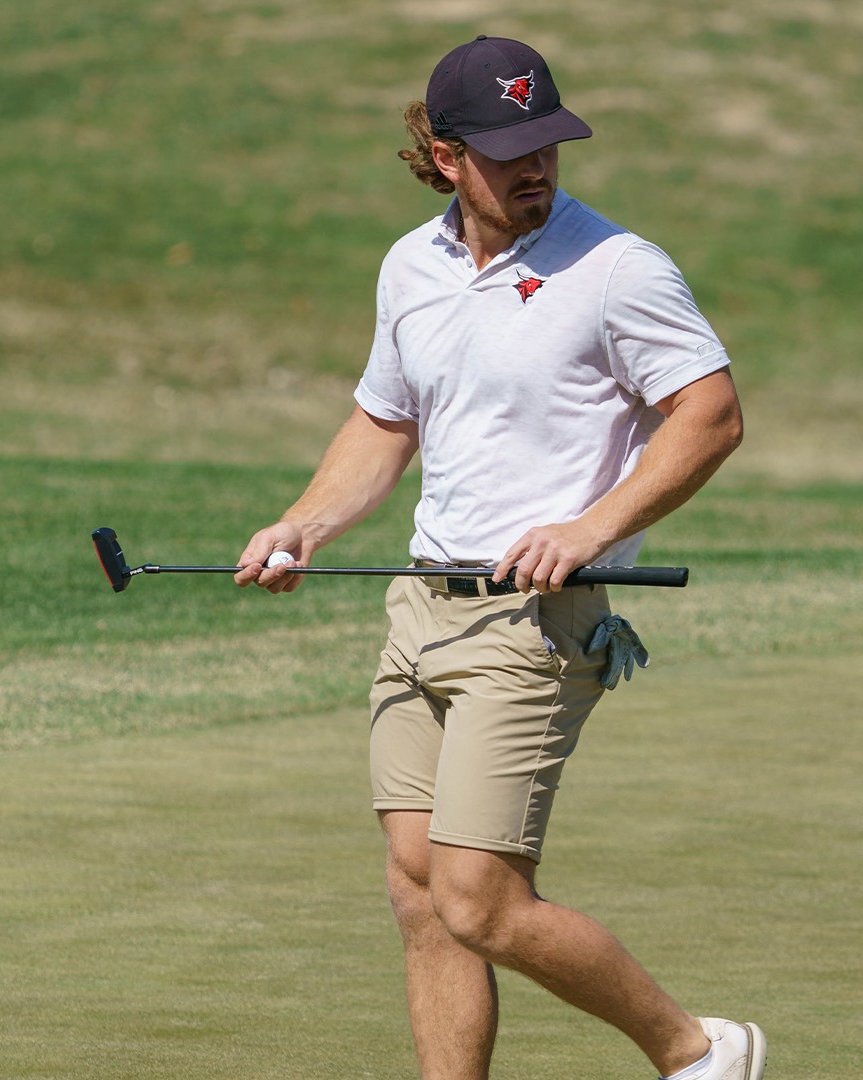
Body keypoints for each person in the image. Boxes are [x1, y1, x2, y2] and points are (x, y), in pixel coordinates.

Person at [234, 35, 763, 1080]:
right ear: (442, 154)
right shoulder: (411, 265)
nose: (537, 167)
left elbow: (711, 416)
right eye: (509, 148)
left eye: (550, 143)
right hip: (421, 607)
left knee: (479, 898)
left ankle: (699, 1053)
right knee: (419, 891)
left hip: (535, 621)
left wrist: (590, 528)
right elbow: (385, 424)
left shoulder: (617, 269)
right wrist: (305, 523)